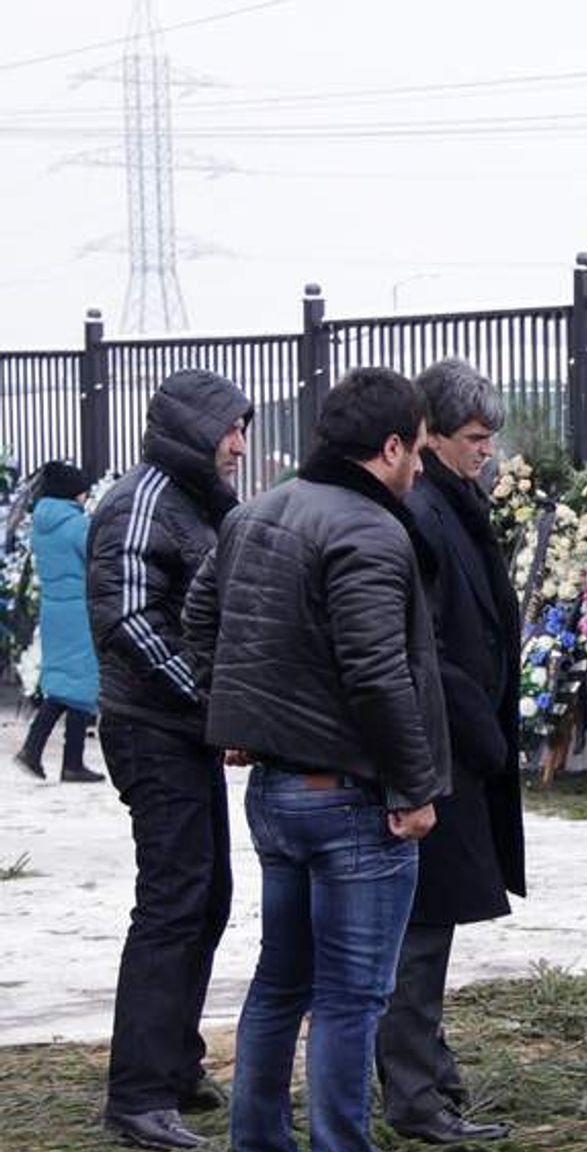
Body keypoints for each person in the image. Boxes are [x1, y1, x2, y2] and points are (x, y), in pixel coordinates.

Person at [184, 367, 450, 1152]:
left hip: (277, 794)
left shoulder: (255, 514)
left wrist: (237, 715)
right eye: (419, 449)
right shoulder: (369, 530)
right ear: (392, 446)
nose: (421, 467)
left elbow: (201, 617)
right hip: (352, 800)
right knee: (350, 998)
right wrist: (412, 788)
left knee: (280, 984)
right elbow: (375, 672)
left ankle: (258, 1140)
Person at [87, 368, 251, 1151]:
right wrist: (211, 698)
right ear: (193, 429)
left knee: (208, 893)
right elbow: (127, 619)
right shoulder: (142, 501)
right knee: (173, 901)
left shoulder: (196, 500)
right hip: (150, 729)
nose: (240, 445)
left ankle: (176, 1063)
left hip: (185, 730)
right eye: (231, 429)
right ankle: (139, 1094)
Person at [378, 359, 525, 1145]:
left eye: (490, 437)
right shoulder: (424, 511)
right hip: (440, 744)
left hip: (456, 739)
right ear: (428, 435)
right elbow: (424, 645)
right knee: (422, 926)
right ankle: (414, 1092)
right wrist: (478, 722)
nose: (486, 451)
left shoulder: (452, 501)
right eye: (473, 437)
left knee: (430, 924)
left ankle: (428, 1072)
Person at [15, 461, 103, 783]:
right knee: (79, 684)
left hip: (54, 611)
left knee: (67, 684)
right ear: (72, 493)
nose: (85, 497)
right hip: (79, 611)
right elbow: (98, 558)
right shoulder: (76, 525)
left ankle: (49, 755)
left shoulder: (42, 524)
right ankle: (59, 759)